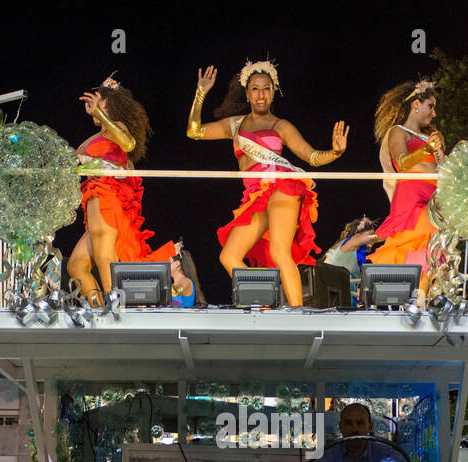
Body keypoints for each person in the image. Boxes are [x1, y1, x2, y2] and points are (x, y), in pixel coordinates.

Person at [188, 60, 348, 307]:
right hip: (256, 195)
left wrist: (335, 152)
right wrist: (201, 93)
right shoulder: (235, 125)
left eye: (266, 89)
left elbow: (312, 157)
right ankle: (265, 303)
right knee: (229, 256)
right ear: (247, 93)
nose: (260, 95)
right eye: (255, 89)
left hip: (282, 187)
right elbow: (194, 131)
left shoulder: (281, 126)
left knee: (278, 251)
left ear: (274, 92)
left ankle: (298, 313)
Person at [69, 75, 175, 307]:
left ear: (110, 105)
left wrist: (99, 114)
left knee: (104, 253)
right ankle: (100, 307)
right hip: (97, 197)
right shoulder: (101, 135)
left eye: (100, 101)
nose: (93, 104)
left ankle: (115, 307)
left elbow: (128, 144)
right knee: (76, 264)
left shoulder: (118, 128)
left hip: (105, 193)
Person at [368, 80, 444, 287]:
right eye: (431, 106)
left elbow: (444, 169)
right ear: (416, 104)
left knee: (434, 246)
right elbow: (402, 163)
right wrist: (427, 150)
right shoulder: (398, 131)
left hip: (434, 198)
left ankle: (426, 299)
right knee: (425, 236)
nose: (434, 113)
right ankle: (420, 298)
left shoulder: (430, 137)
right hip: (413, 197)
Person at [314, 402, 404, 462]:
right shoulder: (327, 455)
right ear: (340, 427)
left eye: (360, 423)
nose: (354, 429)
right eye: (348, 423)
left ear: (370, 427)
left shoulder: (387, 454)